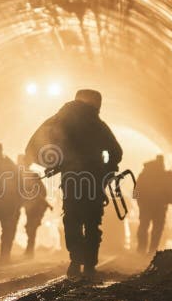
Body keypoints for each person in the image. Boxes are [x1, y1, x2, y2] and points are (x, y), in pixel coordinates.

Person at [26, 89, 122, 278]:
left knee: (72, 219)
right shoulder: (97, 124)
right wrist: (108, 170)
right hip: (94, 180)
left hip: (71, 180)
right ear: (96, 104)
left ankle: (75, 261)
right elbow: (116, 151)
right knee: (92, 222)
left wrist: (56, 163)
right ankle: (89, 265)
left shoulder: (59, 120)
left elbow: (36, 145)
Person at [135, 155, 172, 254]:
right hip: (160, 207)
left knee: (143, 226)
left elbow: (136, 190)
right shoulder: (165, 176)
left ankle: (141, 249)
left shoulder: (144, 173)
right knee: (157, 229)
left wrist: (139, 202)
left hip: (145, 206)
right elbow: (170, 193)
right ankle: (152, 251)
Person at [17, 155, 51, 258]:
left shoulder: (32, 175)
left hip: (36, 206)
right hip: (31, 206)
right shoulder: (17, 175)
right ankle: (29, 250)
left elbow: (43, 192)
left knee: (31, 227)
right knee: (30, 227)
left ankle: (29, 251)